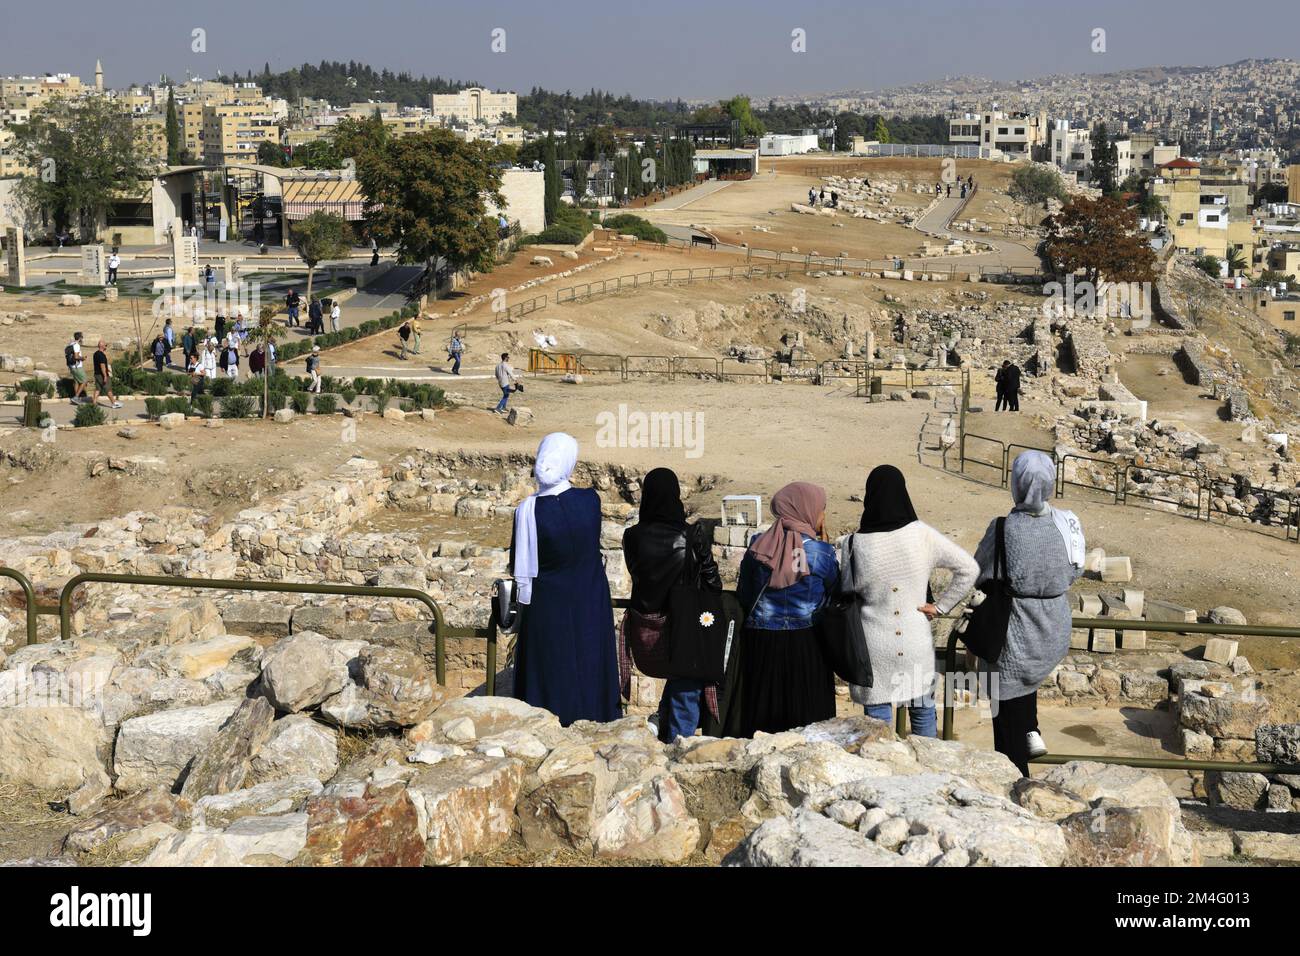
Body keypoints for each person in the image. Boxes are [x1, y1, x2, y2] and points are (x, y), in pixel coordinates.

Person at [842, 465, 978, 736]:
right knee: (923, 712)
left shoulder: (854, 544)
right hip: (914, 641)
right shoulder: (921, 535)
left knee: (877, 726)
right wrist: (940, 606)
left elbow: (847, 590)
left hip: (872, 646)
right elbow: (969, 568)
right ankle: (925, 773)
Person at [975, 452, 1085, 776]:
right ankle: (1031, 729)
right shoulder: (1069, 523)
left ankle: (1016, 782)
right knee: (1029, 681)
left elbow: (980, 571)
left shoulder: (1004, 528)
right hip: (1054, 626)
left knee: (1005, 708)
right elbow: (1076, 569)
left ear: (1017, 483)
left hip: (1015, 629)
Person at [510, 433, 620, 725]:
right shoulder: (590, 501)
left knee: (551, 668)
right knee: (589, 665)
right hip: (589, 600)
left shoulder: (527, 512)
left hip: (548, 606)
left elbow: (518, 566)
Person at [622, 468, 723, 742]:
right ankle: (678, 747)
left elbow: (637, 574)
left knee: (678, 684)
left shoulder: (631, 536)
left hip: (645, 627)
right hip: (684, 629)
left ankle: (662, 726)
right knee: (685, 689)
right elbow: (714, 584)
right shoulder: (691, 535)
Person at [735, 482, 839, 736]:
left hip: (761, 642)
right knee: (807, 722)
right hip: (806, 644)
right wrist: (825, 546)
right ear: (807, 509)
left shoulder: (759, 546)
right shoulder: (820, 552)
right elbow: (834, 592)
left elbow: (744, 593)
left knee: (763, 718)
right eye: (821, 509)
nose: (823, 515)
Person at [91, 340, 123, 409]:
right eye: (105, 345)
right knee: (108, 389)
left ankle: (94, 403)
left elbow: (99, 365)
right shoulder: (101, 355)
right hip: (101, 375)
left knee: (97, 389)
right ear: (102, 346)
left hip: (96, 374)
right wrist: (105, 375)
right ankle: (114, 403)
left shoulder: (95, 354)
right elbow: (102, 366)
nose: (106, 347)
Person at [65, 332, 88, 403]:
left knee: (76, 382)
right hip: (77, 366)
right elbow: (76, 356)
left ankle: (75, 398)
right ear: (80, 338)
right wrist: (82, 358)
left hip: (71, 366)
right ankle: (76, 397)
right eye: (82, 337)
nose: (82, 339)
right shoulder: (77, 345)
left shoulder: (71, 344)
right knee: (84, 381)